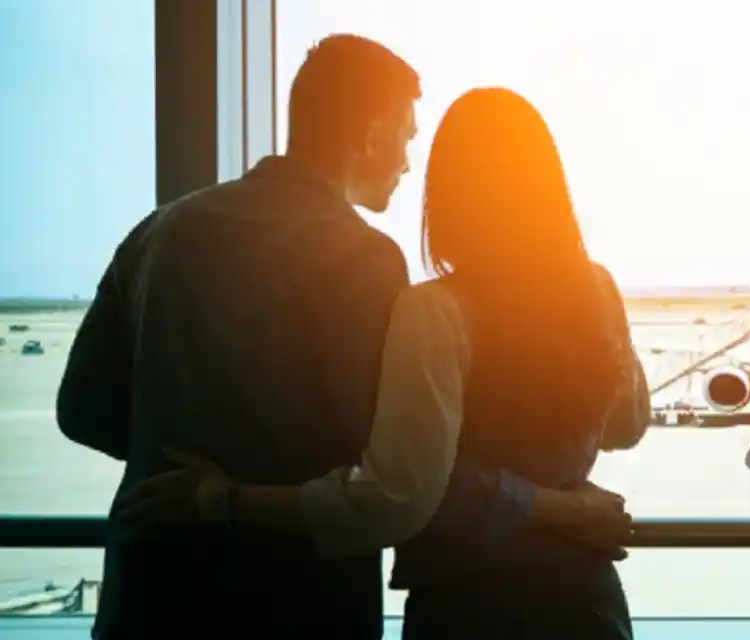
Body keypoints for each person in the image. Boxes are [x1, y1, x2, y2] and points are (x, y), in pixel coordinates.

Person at [57, 36, 631, 640]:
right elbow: (406, 472)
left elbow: (82, 412)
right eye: (407, 137)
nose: (410, 164)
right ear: (371, 134)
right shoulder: (360, 257)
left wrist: (187, 457)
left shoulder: (158, 231)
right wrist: (563, 508)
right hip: (295, 597)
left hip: (150, 589)